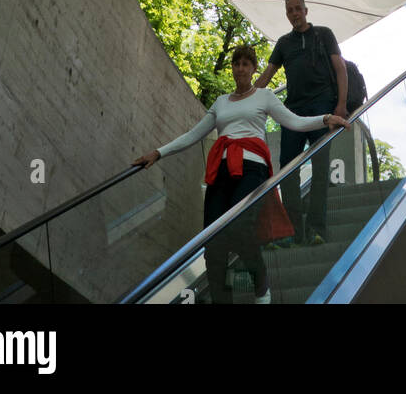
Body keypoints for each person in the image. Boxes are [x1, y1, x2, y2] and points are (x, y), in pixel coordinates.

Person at [134, 44, 348, 304]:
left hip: (252, 169)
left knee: (239, 226)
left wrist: (325, 118)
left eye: (246, 64)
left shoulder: (265, 96)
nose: (241, 68)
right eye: (237, 64)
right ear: (233, 69)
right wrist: (158, 152)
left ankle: (261, 285)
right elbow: (193, 135)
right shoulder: (221, 102)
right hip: (220, 172)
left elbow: (293, 121)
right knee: (212, 242)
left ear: (254, 68)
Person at [252, 0, 347, 245]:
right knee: (288, 170)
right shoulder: (284, 43)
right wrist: (246, 96)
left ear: (306, 10)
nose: (294, 13)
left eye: (298, 9)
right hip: (293, 111)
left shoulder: (324, 34)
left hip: (322, 109)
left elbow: (340, 68)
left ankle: (316, 229)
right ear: (287, 15)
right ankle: (293, 230)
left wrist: (340, 106)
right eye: (290, 10)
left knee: (320, 168)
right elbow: (268, 75)